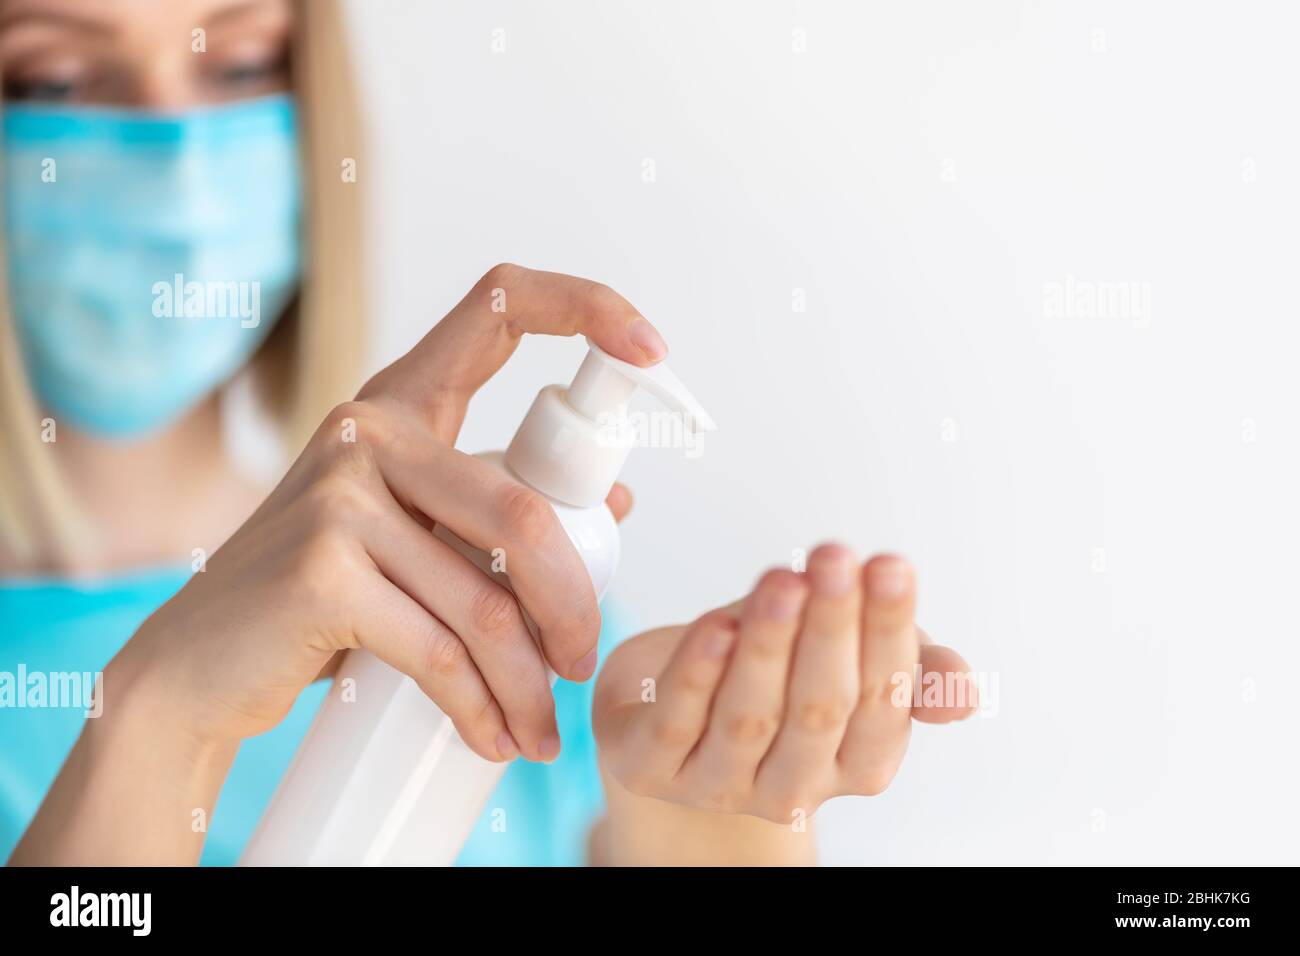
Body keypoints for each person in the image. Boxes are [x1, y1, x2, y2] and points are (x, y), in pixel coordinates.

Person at [0, 0, 976, 867]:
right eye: (51, 77)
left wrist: (713, 817)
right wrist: (155, 719)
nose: (179, 158)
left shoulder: (519, 631)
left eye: (243, 61)